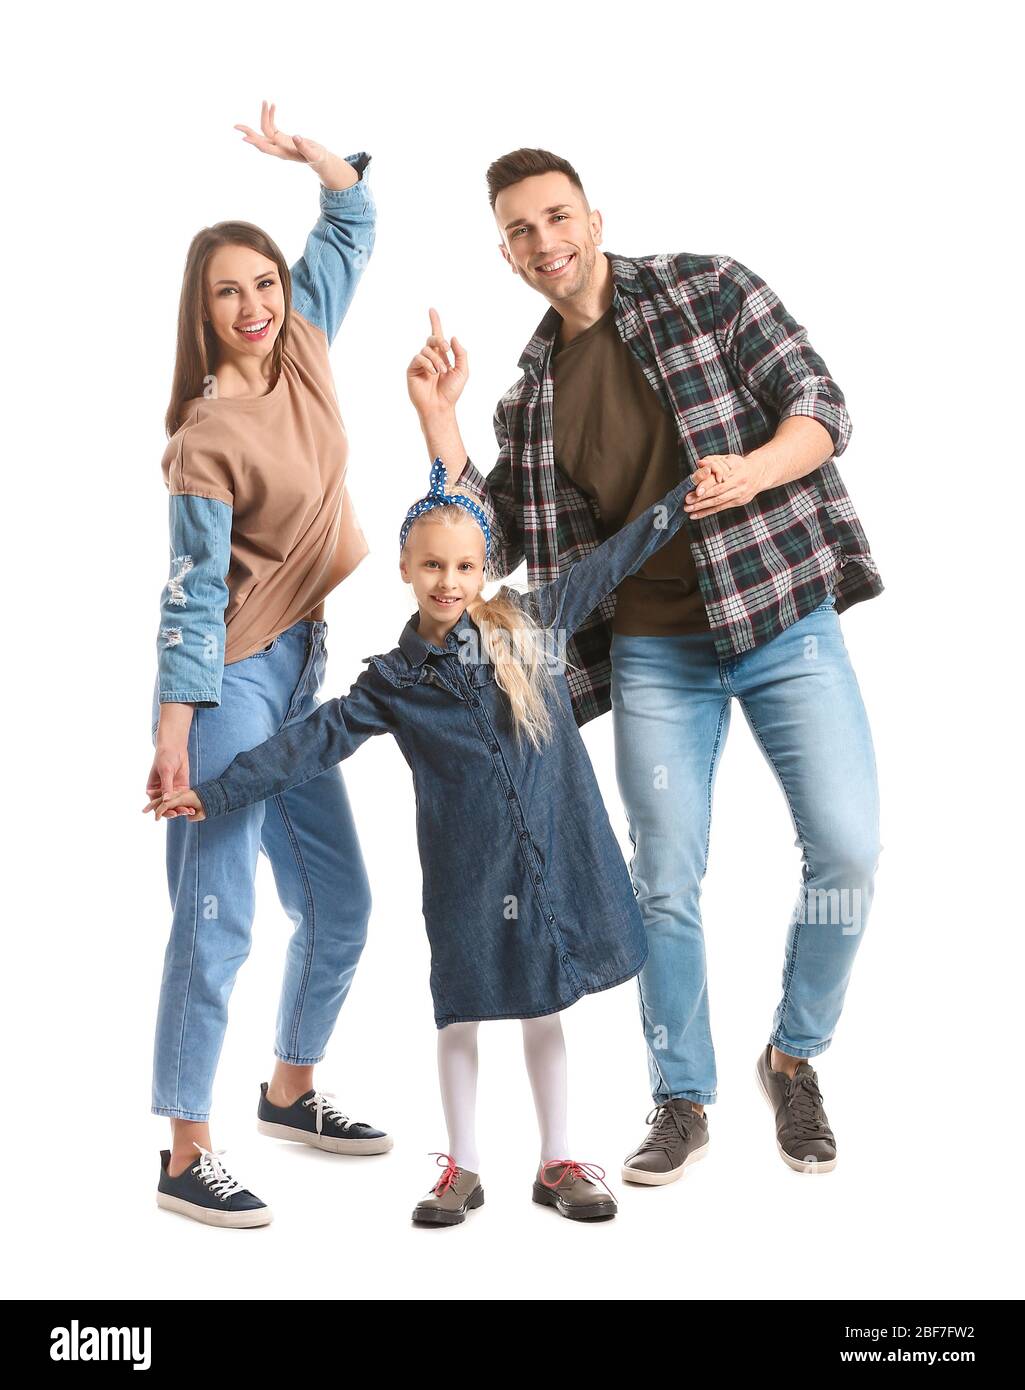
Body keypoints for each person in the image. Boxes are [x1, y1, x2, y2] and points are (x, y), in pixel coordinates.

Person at [406, 146, 883, 1183]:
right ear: (506, 252)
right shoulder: (531, 396)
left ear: (590, 214)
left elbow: (820, 406)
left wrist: (751, 470)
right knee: (662, 876)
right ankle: (680, 1096)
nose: (546, 242)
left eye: (557, 216)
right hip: (656, 650)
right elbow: (492, 541)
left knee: (845, 851)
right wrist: (439, 420)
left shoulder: (708, 289)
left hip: (781, 619)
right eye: (522, 231)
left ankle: (791, 1057)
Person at [150, 459, 699, 1223]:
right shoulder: (393, 684)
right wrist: (213, 793)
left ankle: (558, 1160)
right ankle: (463, 1169)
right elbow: (310, 742)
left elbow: (610, 560)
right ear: (406, 568)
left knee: (545, 1014)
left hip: (551, 865)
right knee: (462, 1014)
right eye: (434, 564)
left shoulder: (528, 628)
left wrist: (682, 500)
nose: (450, 581)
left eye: (466, 566)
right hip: (469, 882)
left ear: (483, 570)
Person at [144, 104, 388, 1230]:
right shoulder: (204, 437)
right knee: (218, 914)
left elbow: (346, 226)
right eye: (228, 293)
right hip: (233, 682)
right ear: (202, 313)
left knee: (340, 904)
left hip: (300, 675)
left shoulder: (301, 346)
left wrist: (315, 160)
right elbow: (194, 596)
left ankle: (289, 1091)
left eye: (263, 284)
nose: (254, 306)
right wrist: (174, 729)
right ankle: (187, 1149)